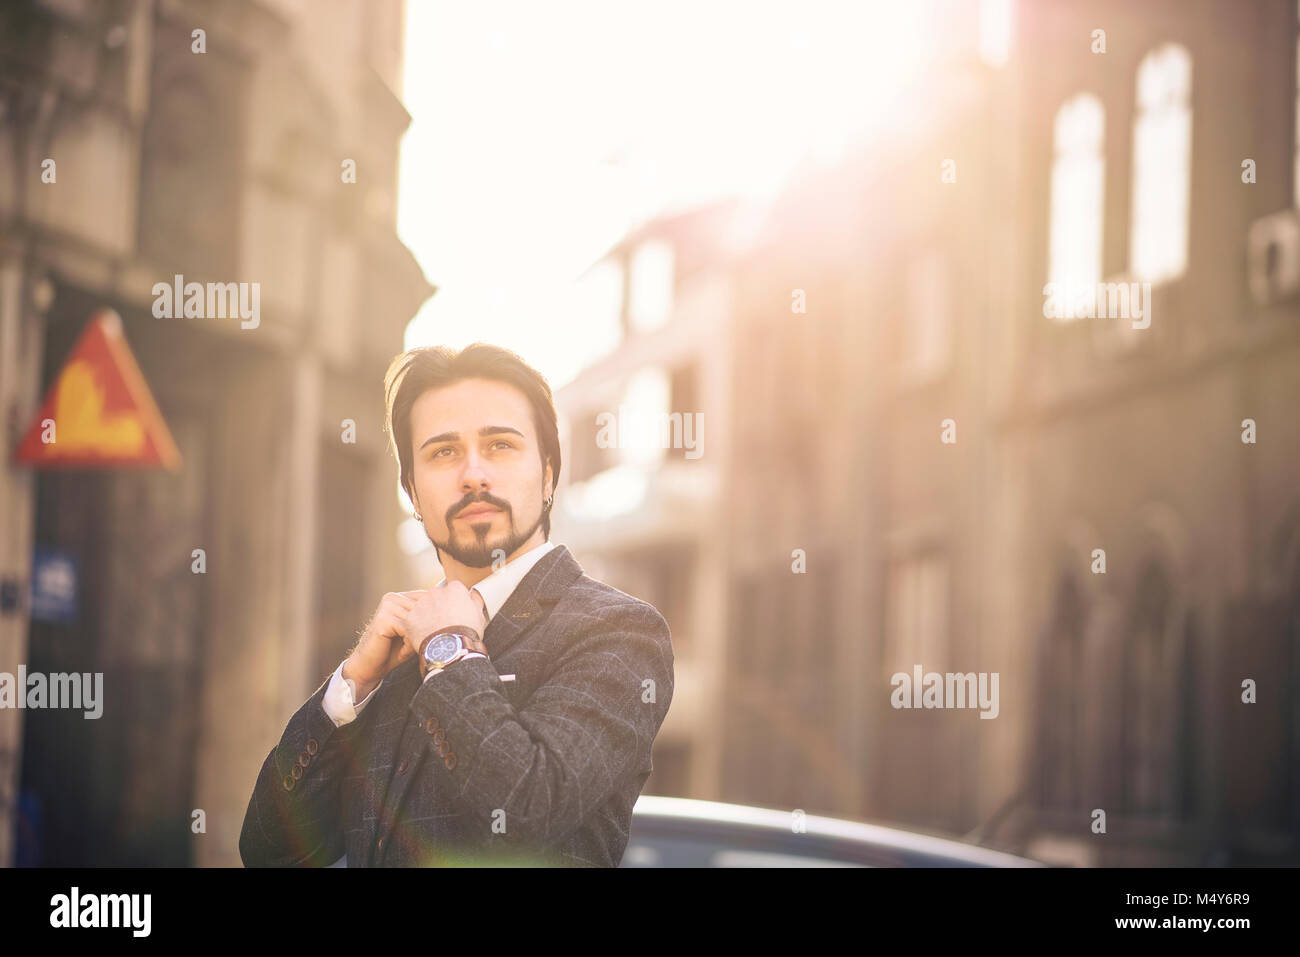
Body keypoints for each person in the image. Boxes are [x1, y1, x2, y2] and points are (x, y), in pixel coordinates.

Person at [239, 342, 674, 867]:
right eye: (443, 452)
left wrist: (452, 652)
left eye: (500, 446)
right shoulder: (397, 654)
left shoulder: (619, 632)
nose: (473, 474)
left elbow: (526, 812)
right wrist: (350, 686)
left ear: (549, 475)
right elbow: (271, 849)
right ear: (414, 494)